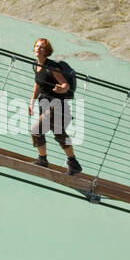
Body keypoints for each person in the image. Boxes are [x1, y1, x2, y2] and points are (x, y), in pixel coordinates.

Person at [29, 37, 82, 175]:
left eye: (42, 47)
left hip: (56, 105)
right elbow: (38, 83)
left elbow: (65, 84)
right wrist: (32, 101)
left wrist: (61, 89)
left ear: (47, 51)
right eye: (37, 46)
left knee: (36, 130)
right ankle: (73, 163)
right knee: (59, 134)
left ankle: (42, 159)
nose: (38, 49)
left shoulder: (51, 66)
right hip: (46, 105)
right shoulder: (36, 65)